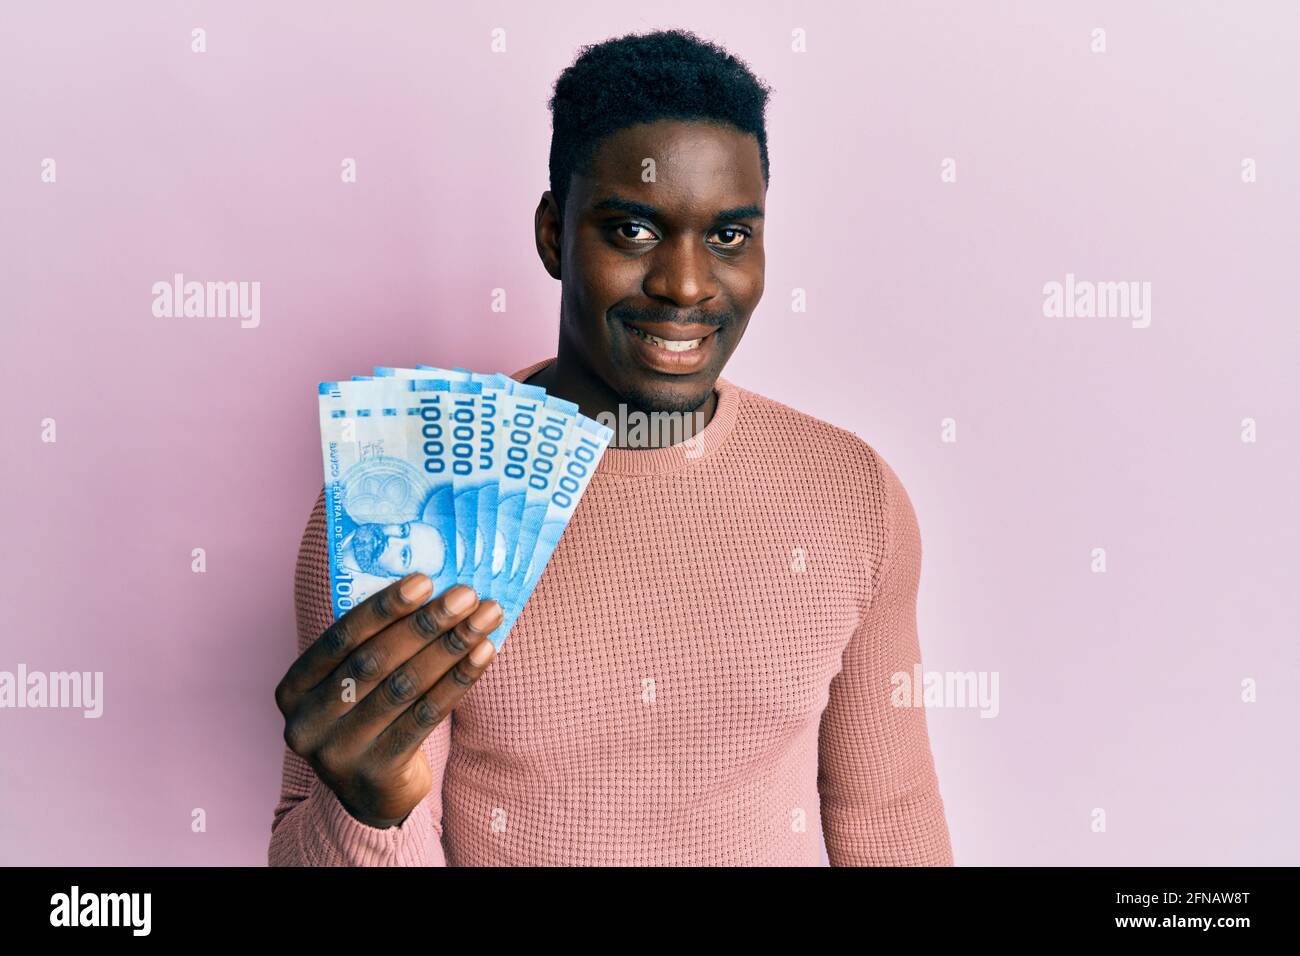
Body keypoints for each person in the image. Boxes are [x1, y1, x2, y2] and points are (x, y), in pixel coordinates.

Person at [270, 27, 954, 866]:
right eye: (633, 230)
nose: (688, 285)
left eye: (730, 237)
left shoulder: (852, 494)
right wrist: (367, 813)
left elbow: (889, 814)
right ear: (555, 236)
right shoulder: (400, 495)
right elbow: (314, 842)